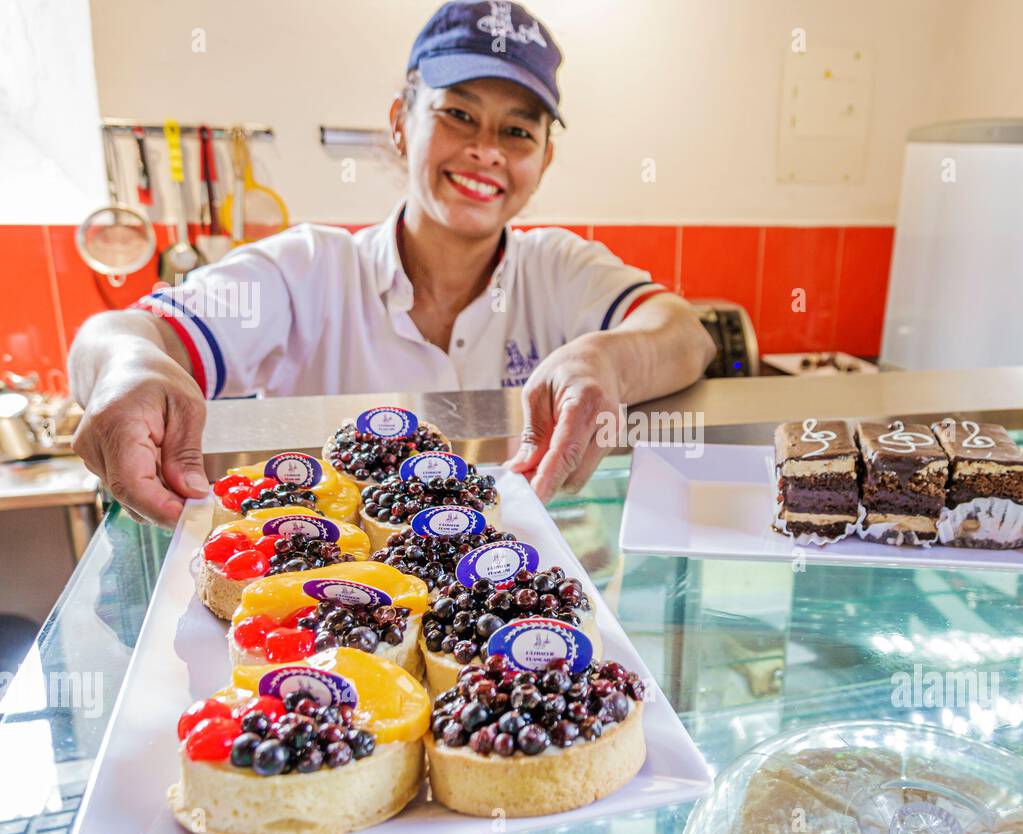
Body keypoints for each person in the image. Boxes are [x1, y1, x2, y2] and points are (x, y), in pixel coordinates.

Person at [69, 0, 714, 526]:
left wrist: (605, 360)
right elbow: (121, 333)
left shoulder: (561, 269)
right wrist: (130, 366)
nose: (486, 150)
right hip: (334, 628)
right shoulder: (308, 271)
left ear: (543, 159)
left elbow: (684, 334)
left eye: (518, 131)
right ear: (401, 123)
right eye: (458, 114)